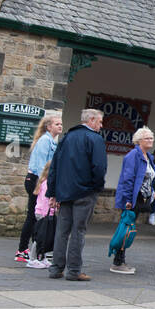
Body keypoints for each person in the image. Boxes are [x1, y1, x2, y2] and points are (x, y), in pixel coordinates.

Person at [46, 108, 107, 282]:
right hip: (84, 192)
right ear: (92, 120)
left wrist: (52, 192)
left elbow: (54, 166)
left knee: (62, 231)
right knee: (78, 231)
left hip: (64, 191)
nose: (101, 126)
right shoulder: (95, 139)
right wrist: (97, 187)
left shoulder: (66, 137)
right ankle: (73, 270)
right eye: (100, 122)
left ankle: (56, 268)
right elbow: (99, 167)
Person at [16, 111, 62, 263]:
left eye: (61, 123)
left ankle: (31, 249)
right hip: (36, 179)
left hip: (38, 179)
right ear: (49, 127)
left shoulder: (51, 141)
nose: (60, 126)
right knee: (34, 215)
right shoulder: (45, 141)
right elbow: (43, 165)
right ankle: (23, 250)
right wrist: (47, 184)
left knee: (36, 215)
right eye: (57, 124)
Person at [112, 126, 155, 274]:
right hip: (132, 198)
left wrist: (153, 191)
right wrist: (127, 199)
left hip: (142, 198)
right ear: (139, 141)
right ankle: (118, 262)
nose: (150, 140)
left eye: (151, 138)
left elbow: (148, 179)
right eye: (147, 138)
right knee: (125, 229)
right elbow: (128, 179)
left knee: (129, 229)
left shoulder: (149, 157)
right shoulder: (133, 155)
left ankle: (120, 259)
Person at [27, 165, 56, 269]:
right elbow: (45, 201)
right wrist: (46, 214)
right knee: (40, 237)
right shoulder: (47, 184)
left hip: (46, 213)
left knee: (45, 237)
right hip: (43, 213)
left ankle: (42, 257)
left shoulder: (46, 182)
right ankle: (32, 258)